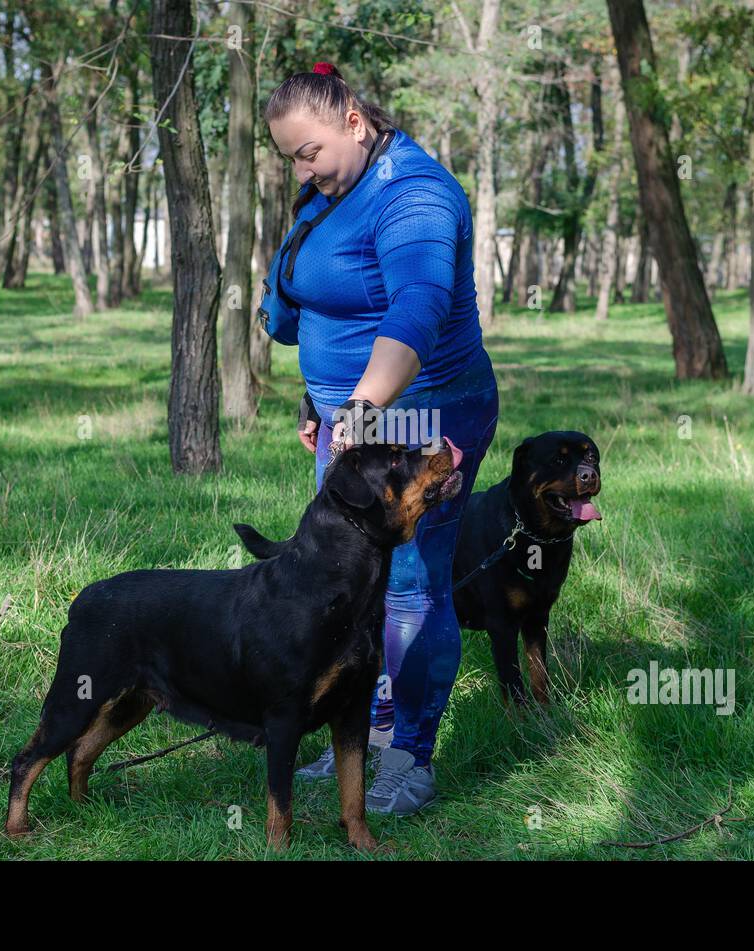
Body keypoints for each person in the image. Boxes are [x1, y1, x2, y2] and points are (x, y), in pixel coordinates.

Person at [256, 61, 499, 815]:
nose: (303, 169)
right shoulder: (332, 187)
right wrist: (318, 396)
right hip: (356, 419)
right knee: (346, 582)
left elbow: (415, 311)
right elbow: (326, 302)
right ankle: (359, 732)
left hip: (423, 419)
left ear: (354, 122)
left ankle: (410, 755)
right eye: (292, 157)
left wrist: (357, 406)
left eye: (310, 152)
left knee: (410, 587)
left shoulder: (414, 194)